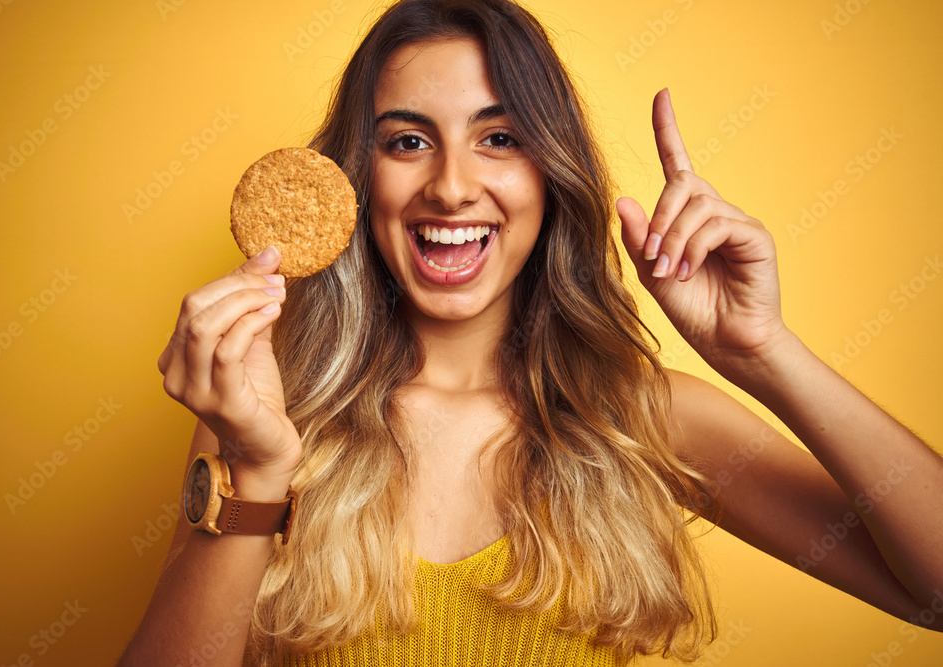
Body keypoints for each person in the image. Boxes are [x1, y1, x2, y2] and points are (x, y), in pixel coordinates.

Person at [118, 0, 943, 665]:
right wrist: (259, 473)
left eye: (499, 139)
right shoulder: (271, 414)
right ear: (356, 183)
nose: (450, 186)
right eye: (408, 141)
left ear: (551, 172)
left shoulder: (641, 415)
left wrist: (763, 354)